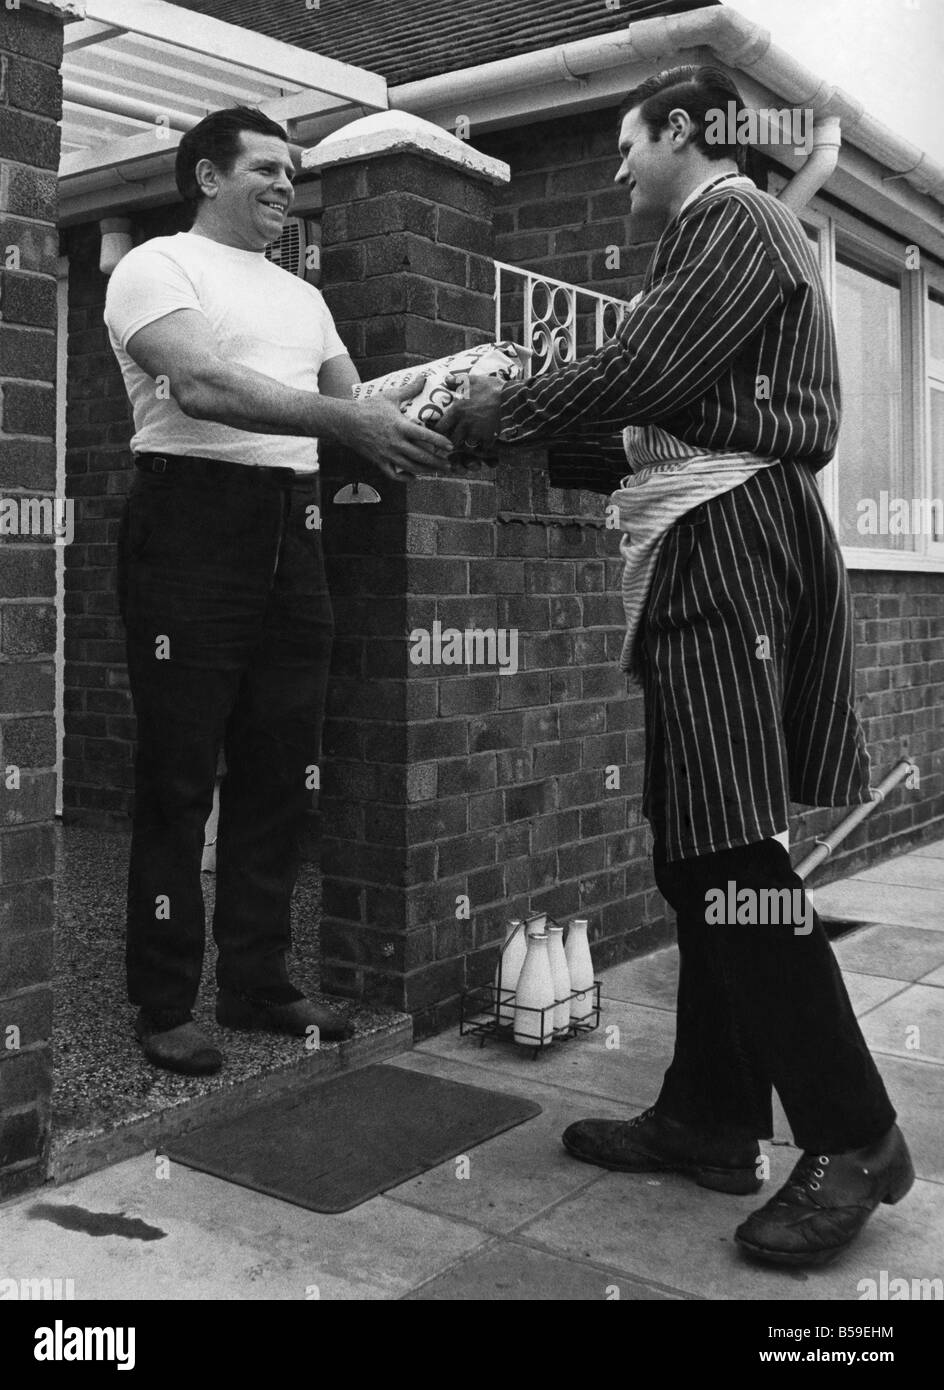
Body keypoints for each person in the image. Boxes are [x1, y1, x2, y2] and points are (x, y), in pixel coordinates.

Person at [439, 66, 913, 1269]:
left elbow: (643, 383)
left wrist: (517, 406)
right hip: (713, 535)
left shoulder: (736, 223)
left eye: (626, 143)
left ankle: (855, 1135)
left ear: (688, 133)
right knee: (693, 837)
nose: (615, 170)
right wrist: (485, 425)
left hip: (734, 545)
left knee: (726, 843)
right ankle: (710, 1115)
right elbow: (657, 427)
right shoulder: (705, 254)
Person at [104, 106, 453, 1076]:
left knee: (280, 768)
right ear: (207, 176)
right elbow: (204, 388)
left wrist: (476, 391)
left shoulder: (304, 298)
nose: (283, 188)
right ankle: (164, 1001)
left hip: (293, 534)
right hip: (188, 523)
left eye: (293, 175)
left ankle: (258, 979)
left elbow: (365, 403)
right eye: (263, 169)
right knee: (178, 780)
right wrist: (345, 422)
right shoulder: (156, 267)